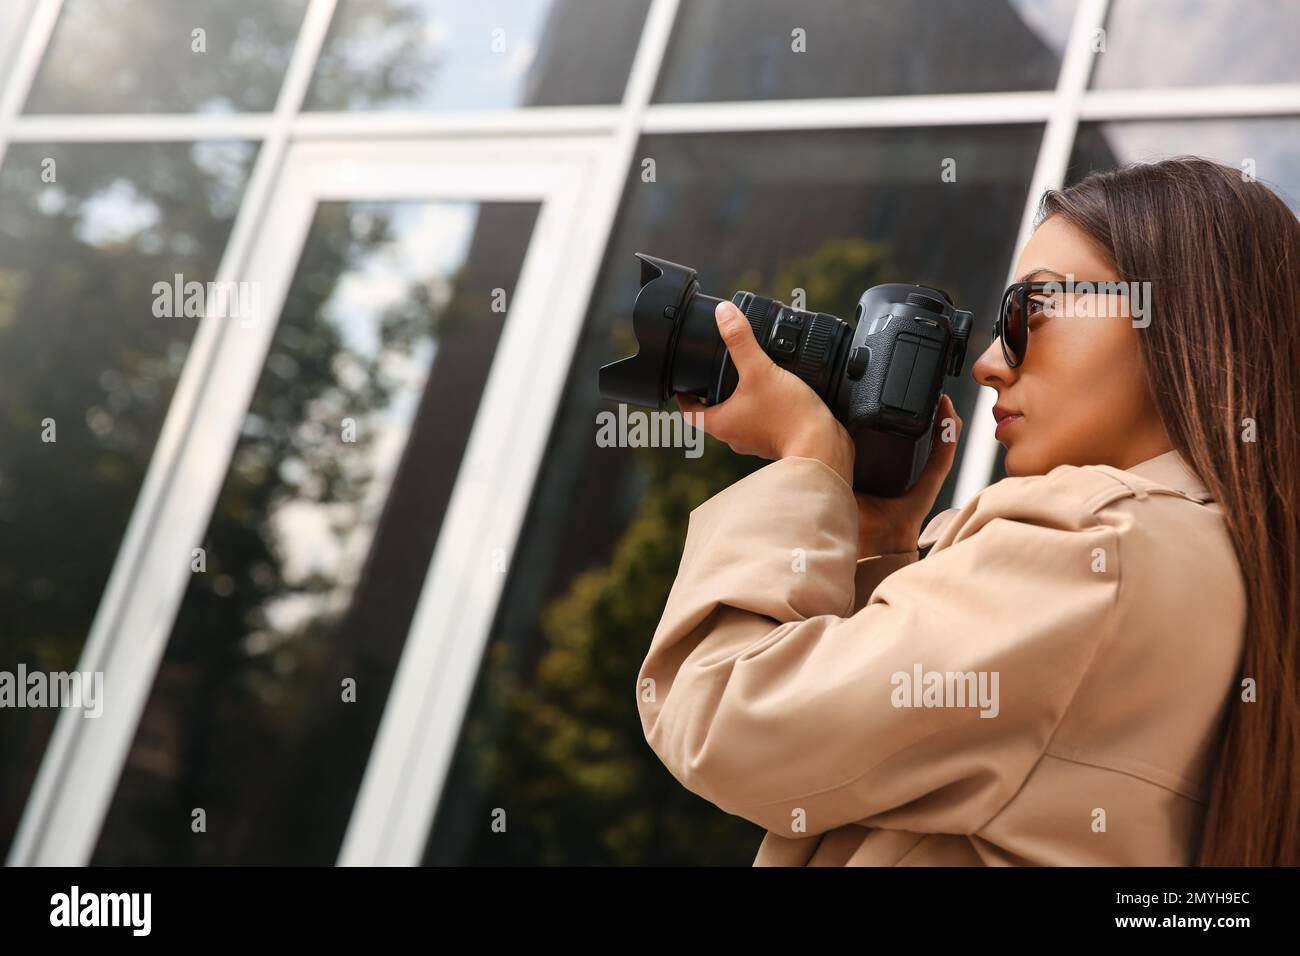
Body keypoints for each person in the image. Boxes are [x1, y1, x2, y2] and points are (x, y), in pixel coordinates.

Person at [636, 157, 1300, 866]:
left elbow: (731, 720)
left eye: (1029, 312)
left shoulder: (1095, 545)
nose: (988, 364)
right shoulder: (1227, 568)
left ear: (1176, 317)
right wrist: (881, 542)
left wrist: (805, 460)